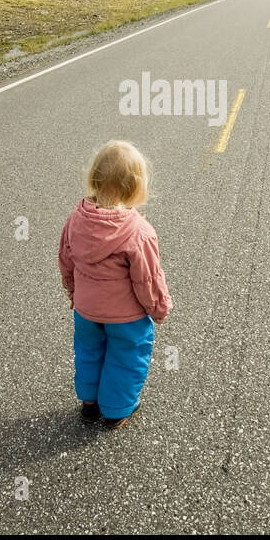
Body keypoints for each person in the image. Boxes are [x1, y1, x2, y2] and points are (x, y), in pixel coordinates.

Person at [58, 140, 173, 429]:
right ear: (135, 187)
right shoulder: (138, 232)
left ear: (94, 178)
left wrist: (73, 290)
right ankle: (116, 410)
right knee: (126, 355)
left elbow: (65, 258)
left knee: (88, 350)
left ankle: (89, 402)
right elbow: (148, 278)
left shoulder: (75, 220)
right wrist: (158, 308)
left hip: (85, 309)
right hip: (126, 317)